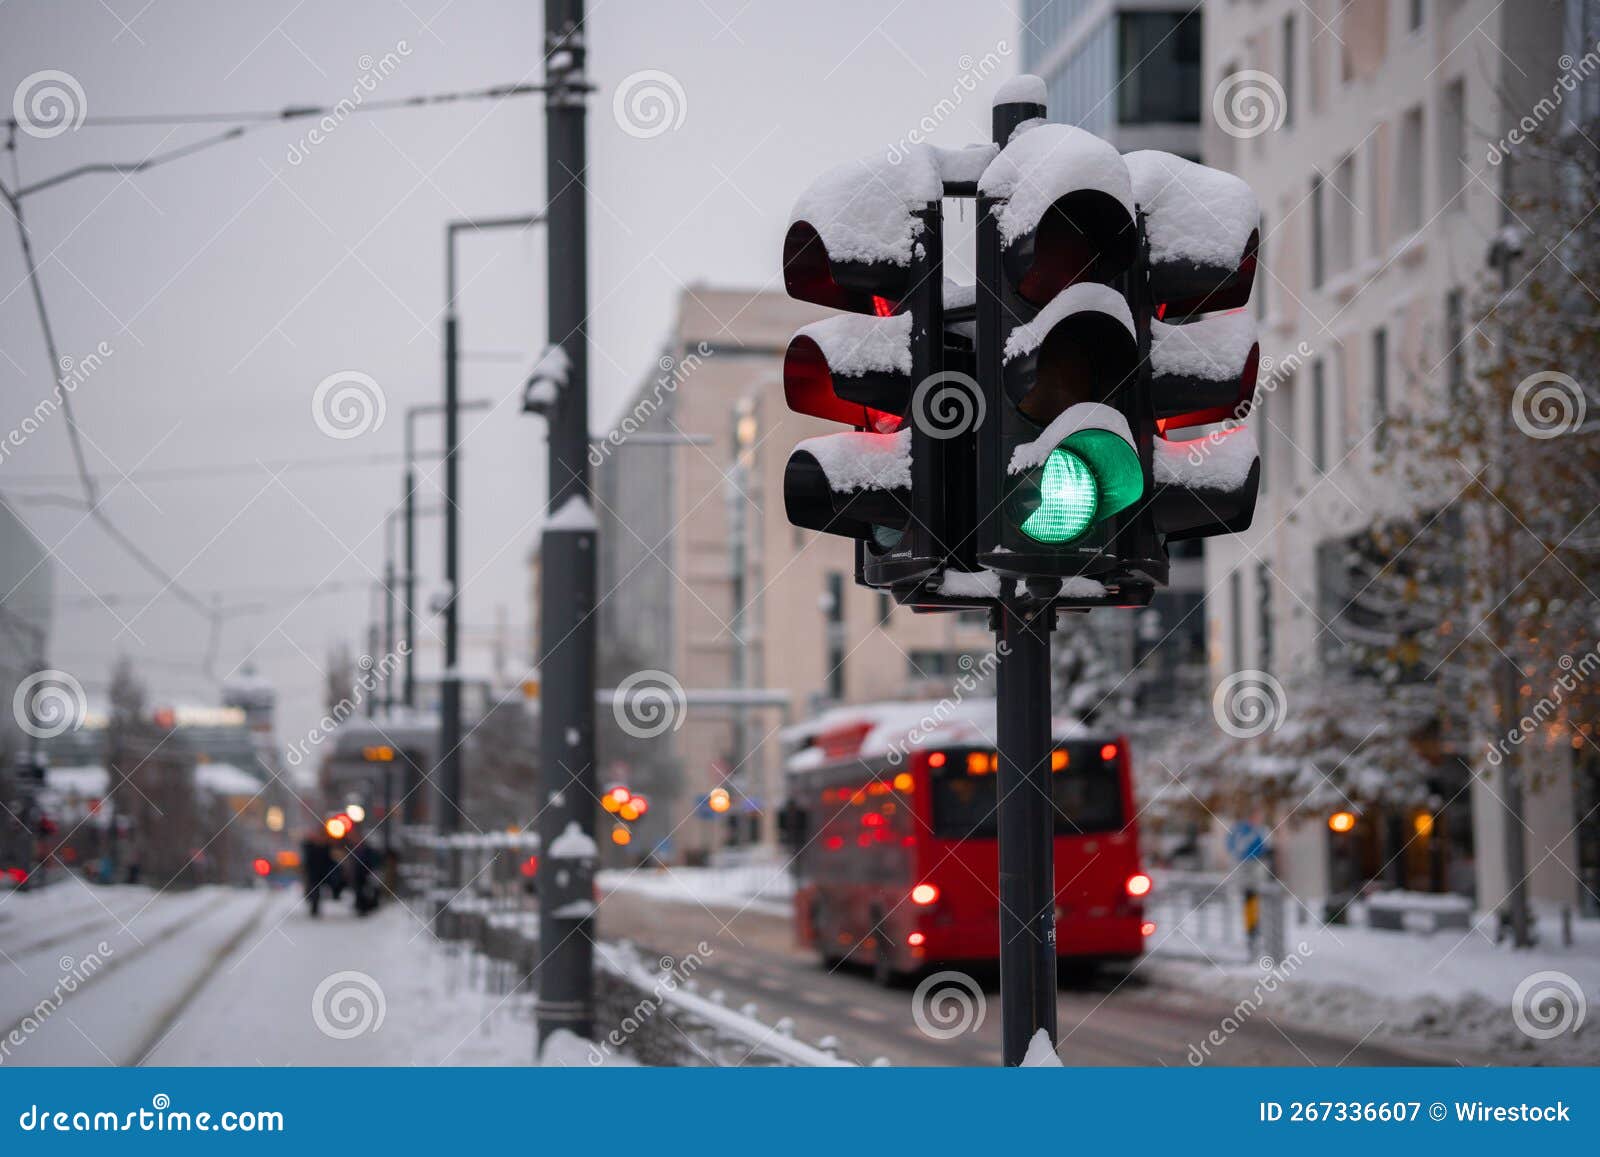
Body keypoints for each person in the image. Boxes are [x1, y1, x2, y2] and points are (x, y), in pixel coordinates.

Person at [301, 825, 335, 917]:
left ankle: (315, 908)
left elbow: (329, 860)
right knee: (314, 891)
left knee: (317, 891)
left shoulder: (326, 847)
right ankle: (314, 909)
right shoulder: (310, 846)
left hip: (322, 873)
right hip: (313, 873)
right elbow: (307, 859)